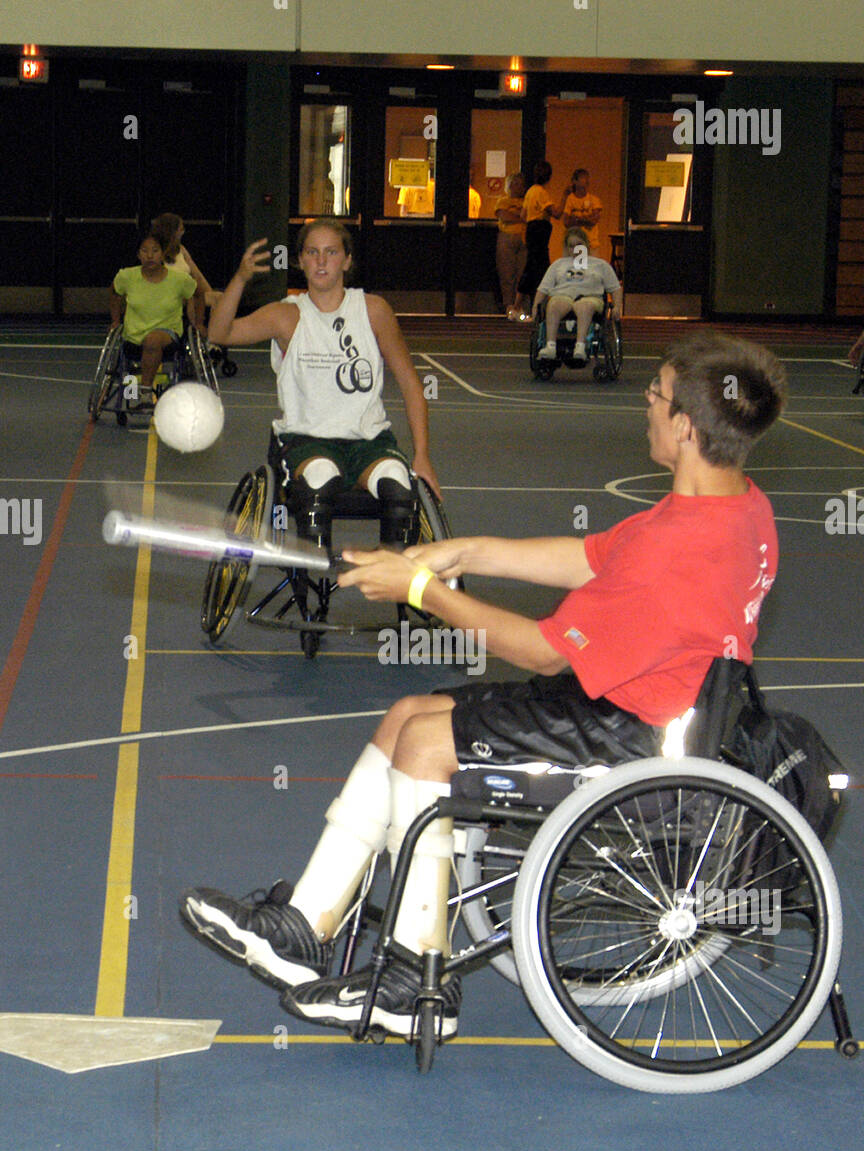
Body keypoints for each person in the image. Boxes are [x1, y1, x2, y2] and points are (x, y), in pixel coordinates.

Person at [181, 330, 786, 1041]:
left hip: (632, 733)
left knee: (427, 742)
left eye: (654, 396)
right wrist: (462, 551)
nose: (644, 407)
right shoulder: (738, 507)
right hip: (653, 703)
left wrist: (418, 589)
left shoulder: (676, 549)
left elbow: (539, 652)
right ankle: (303, 927)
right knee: (407, 712)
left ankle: (411, 977)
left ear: (685, 427)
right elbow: (590, 558)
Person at [205, 219, 440, 556]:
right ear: (300, 261)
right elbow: (218, 334)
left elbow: (411, 384)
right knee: (319, 479)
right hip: (307, 441)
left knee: (401, 489)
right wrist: (241, 278)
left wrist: (422, 455)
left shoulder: (374, 311)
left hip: (369, 442)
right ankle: (314, 588)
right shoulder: (285, 316)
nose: (321, 261)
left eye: (331, 252)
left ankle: (393, 579)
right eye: (312, 252)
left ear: (346, 260)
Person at [109, 229, 203, 410]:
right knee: (147, 341)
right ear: (138, 255)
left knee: (152, 340)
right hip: (133, 337)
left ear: (162, 254)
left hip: (167, 335)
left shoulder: (179, 279)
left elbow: (198, 295)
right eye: (145, 251)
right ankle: (139, 392)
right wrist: (115, 320)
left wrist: (199, 323)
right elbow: (114, 293)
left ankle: (144, 395)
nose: (150, 255)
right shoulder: (127, 276)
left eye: (155, 250)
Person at [534, 227, 622, 363]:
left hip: (591, 298)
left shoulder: (600, 265)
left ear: (586, 245)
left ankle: (580, 346)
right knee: (554, 304)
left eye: (579, 245)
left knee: (584, 306)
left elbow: (615, 288)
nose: (575, 249)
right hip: (563, 296)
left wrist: (617, 307)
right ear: (567, 248)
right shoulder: (558, 264)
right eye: (571, 246)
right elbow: (543, 289)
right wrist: (536, 308)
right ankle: (550, 346)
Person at [517, 160, 570, 304]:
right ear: (549, 177)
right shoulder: (542, 193)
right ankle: (542, 304)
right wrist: (565, 196)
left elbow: (522, 215)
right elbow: (557, 213)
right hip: (540, 232)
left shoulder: (530, 191)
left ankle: (520, 304)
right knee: (542, 268)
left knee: (531, 266)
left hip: (530, 231)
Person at [150, 212, 222, 309]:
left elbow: (197, 276)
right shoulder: (154, 254)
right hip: (169, 299)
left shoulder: (181, 250)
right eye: (181, 230)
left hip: (187, 296)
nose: (182, 233)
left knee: (220, 298)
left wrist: (210, 293)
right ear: (172, 232)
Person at [494, 171, 529, 319]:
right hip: (507, 238)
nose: (517, 187)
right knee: (507, 273)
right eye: (514, 184)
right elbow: (504, 216)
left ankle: (519, 306)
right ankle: (508, 305)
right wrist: (519, 218)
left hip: (524, 239)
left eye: (520, 184)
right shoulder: (503, 201)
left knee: (522, 274)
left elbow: (529, 216)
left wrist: (518, 218)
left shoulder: (527, 201)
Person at [562, 168, 603, 253]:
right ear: (575, 181)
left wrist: (577, 219)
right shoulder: (570, 200)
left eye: (587, 178)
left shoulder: (594, 200)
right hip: (574, 244)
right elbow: (566, 222)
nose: (586, 181)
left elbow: (593, 221)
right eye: (582, 178)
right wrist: (586, 218)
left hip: (591, 244)